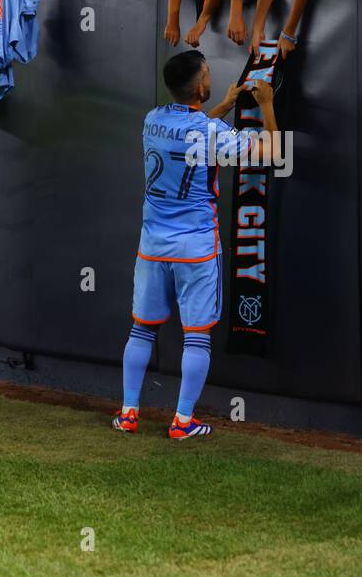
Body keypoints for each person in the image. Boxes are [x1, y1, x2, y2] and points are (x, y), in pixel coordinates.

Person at [113, 50, 279, 440]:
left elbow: (190, 136)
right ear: (199, 87)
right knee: (197, 336)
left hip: (153, 245)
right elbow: (273, 151)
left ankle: (128, 415)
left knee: (141, 331)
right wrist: (268, 105)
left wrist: (223, 104)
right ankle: (182, 422)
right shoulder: (211, 134)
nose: (210, 78)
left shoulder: (151, 120)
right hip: (197, 249)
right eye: (207, 75)